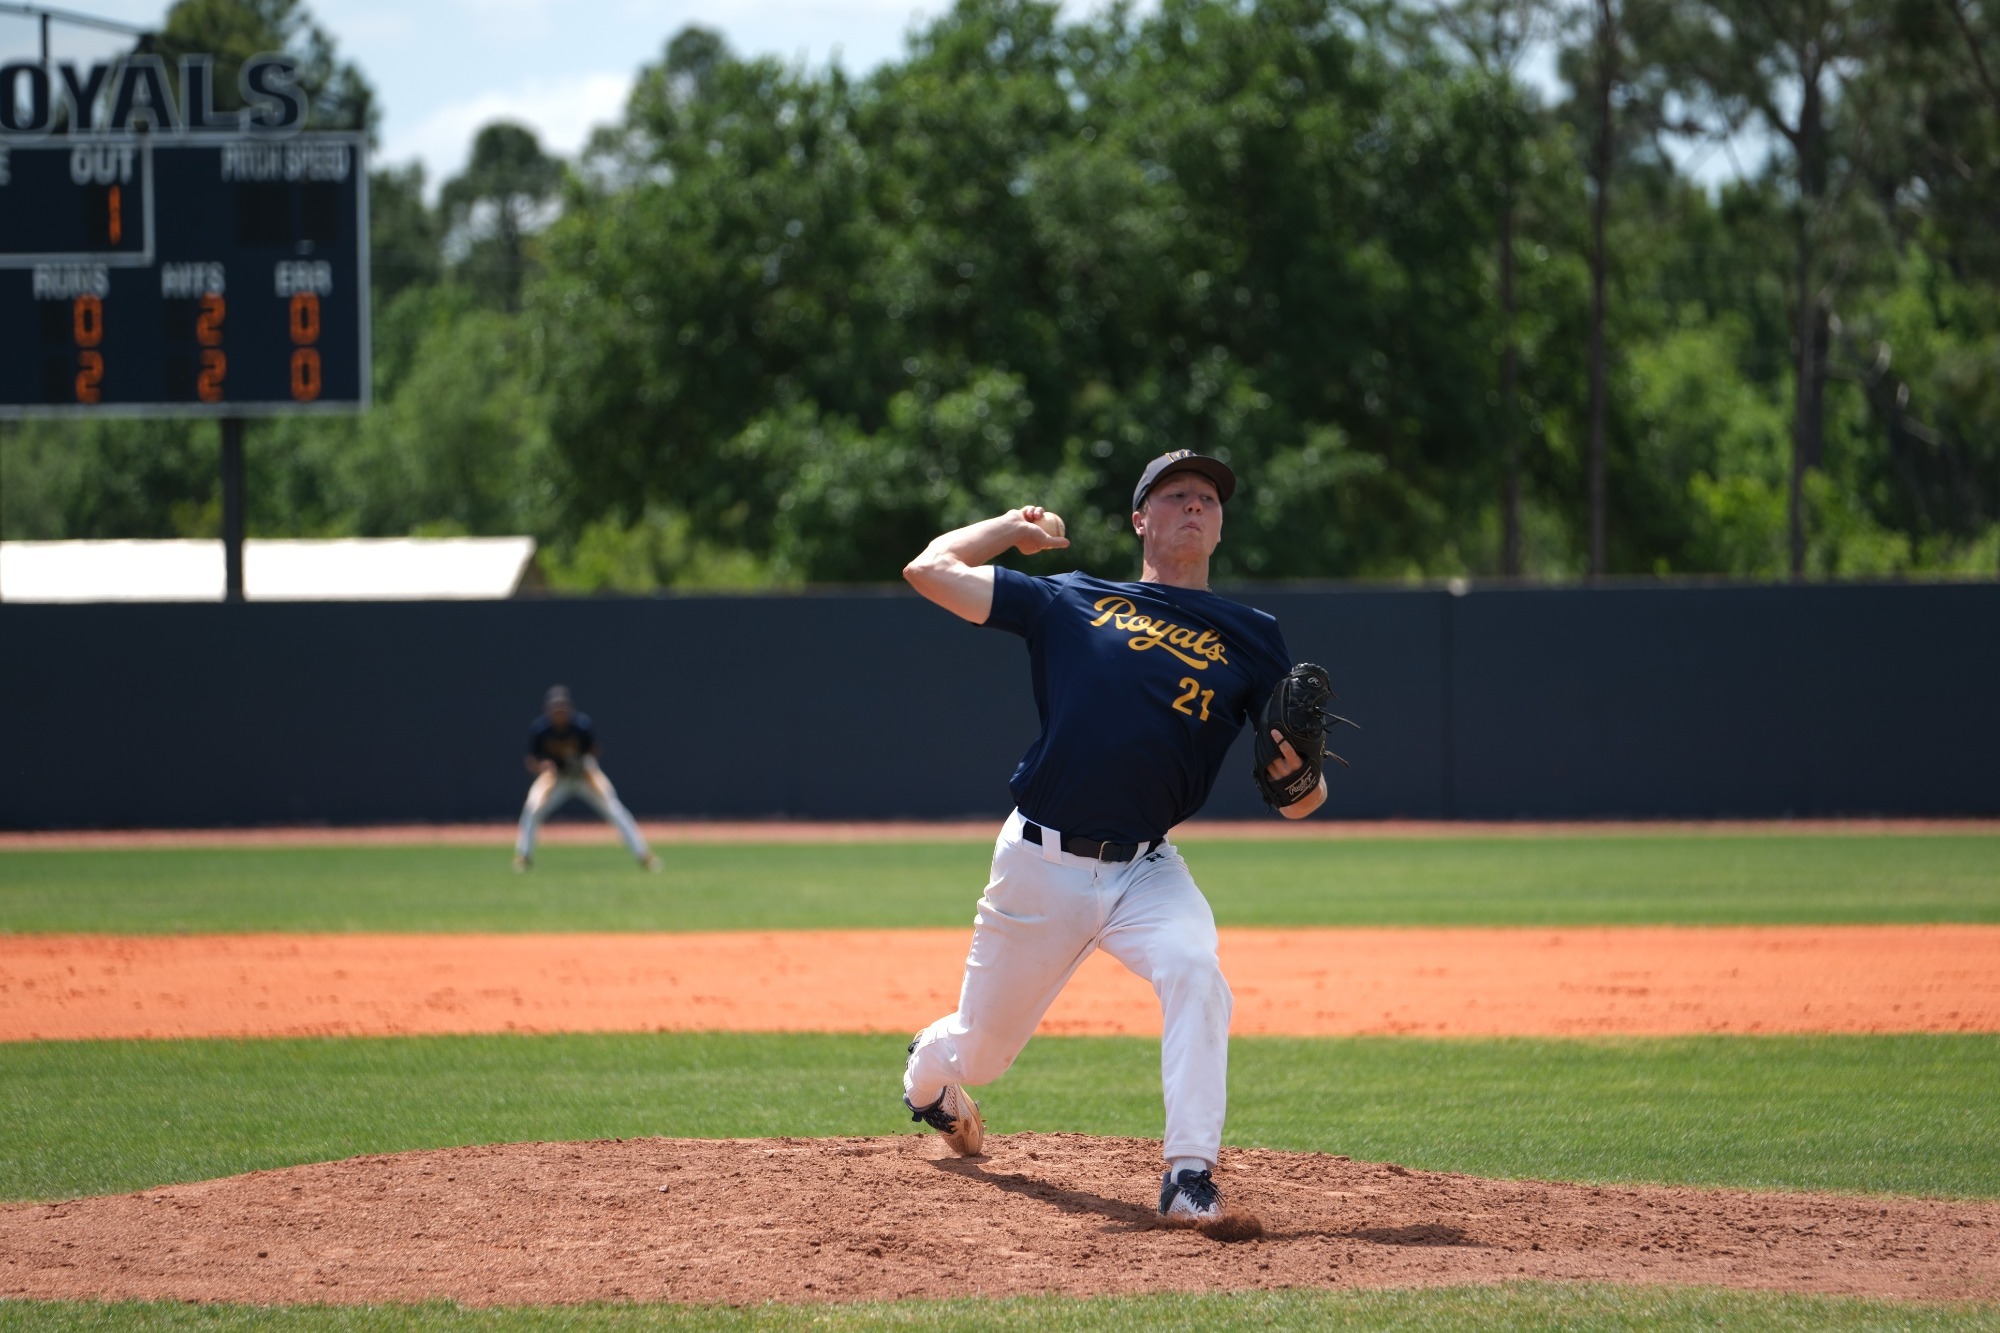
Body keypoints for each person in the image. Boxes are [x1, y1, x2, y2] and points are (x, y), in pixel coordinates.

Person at [898, 449, 1328, 1226]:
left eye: (1207, 497)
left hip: (1145, 870)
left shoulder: (1253, 638)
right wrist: (1011, 527)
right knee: (981, 1051)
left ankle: (1188, 1173)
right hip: (1040, 862)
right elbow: (927, 569)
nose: (1194, 505)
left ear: (1221, 524)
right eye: (1174, 495)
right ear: (1141, 519)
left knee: (1196, 964)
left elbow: (1301, 797)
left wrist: (1302, 779)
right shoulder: (1071, 601)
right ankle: (927, 1077)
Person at [513, 685, 661, 872]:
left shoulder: (580, 726)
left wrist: (581, 763)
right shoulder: (541, 730)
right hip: (556, 777)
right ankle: (523, 856)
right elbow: (532, 760)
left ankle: (644, 855)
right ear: (548, 710)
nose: (559, 713)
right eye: (555, 709)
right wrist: (544, 766)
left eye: (562, 708)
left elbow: (594, 751)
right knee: (533, 807)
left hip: (584, 774)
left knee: (613, 808)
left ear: (569, 708)